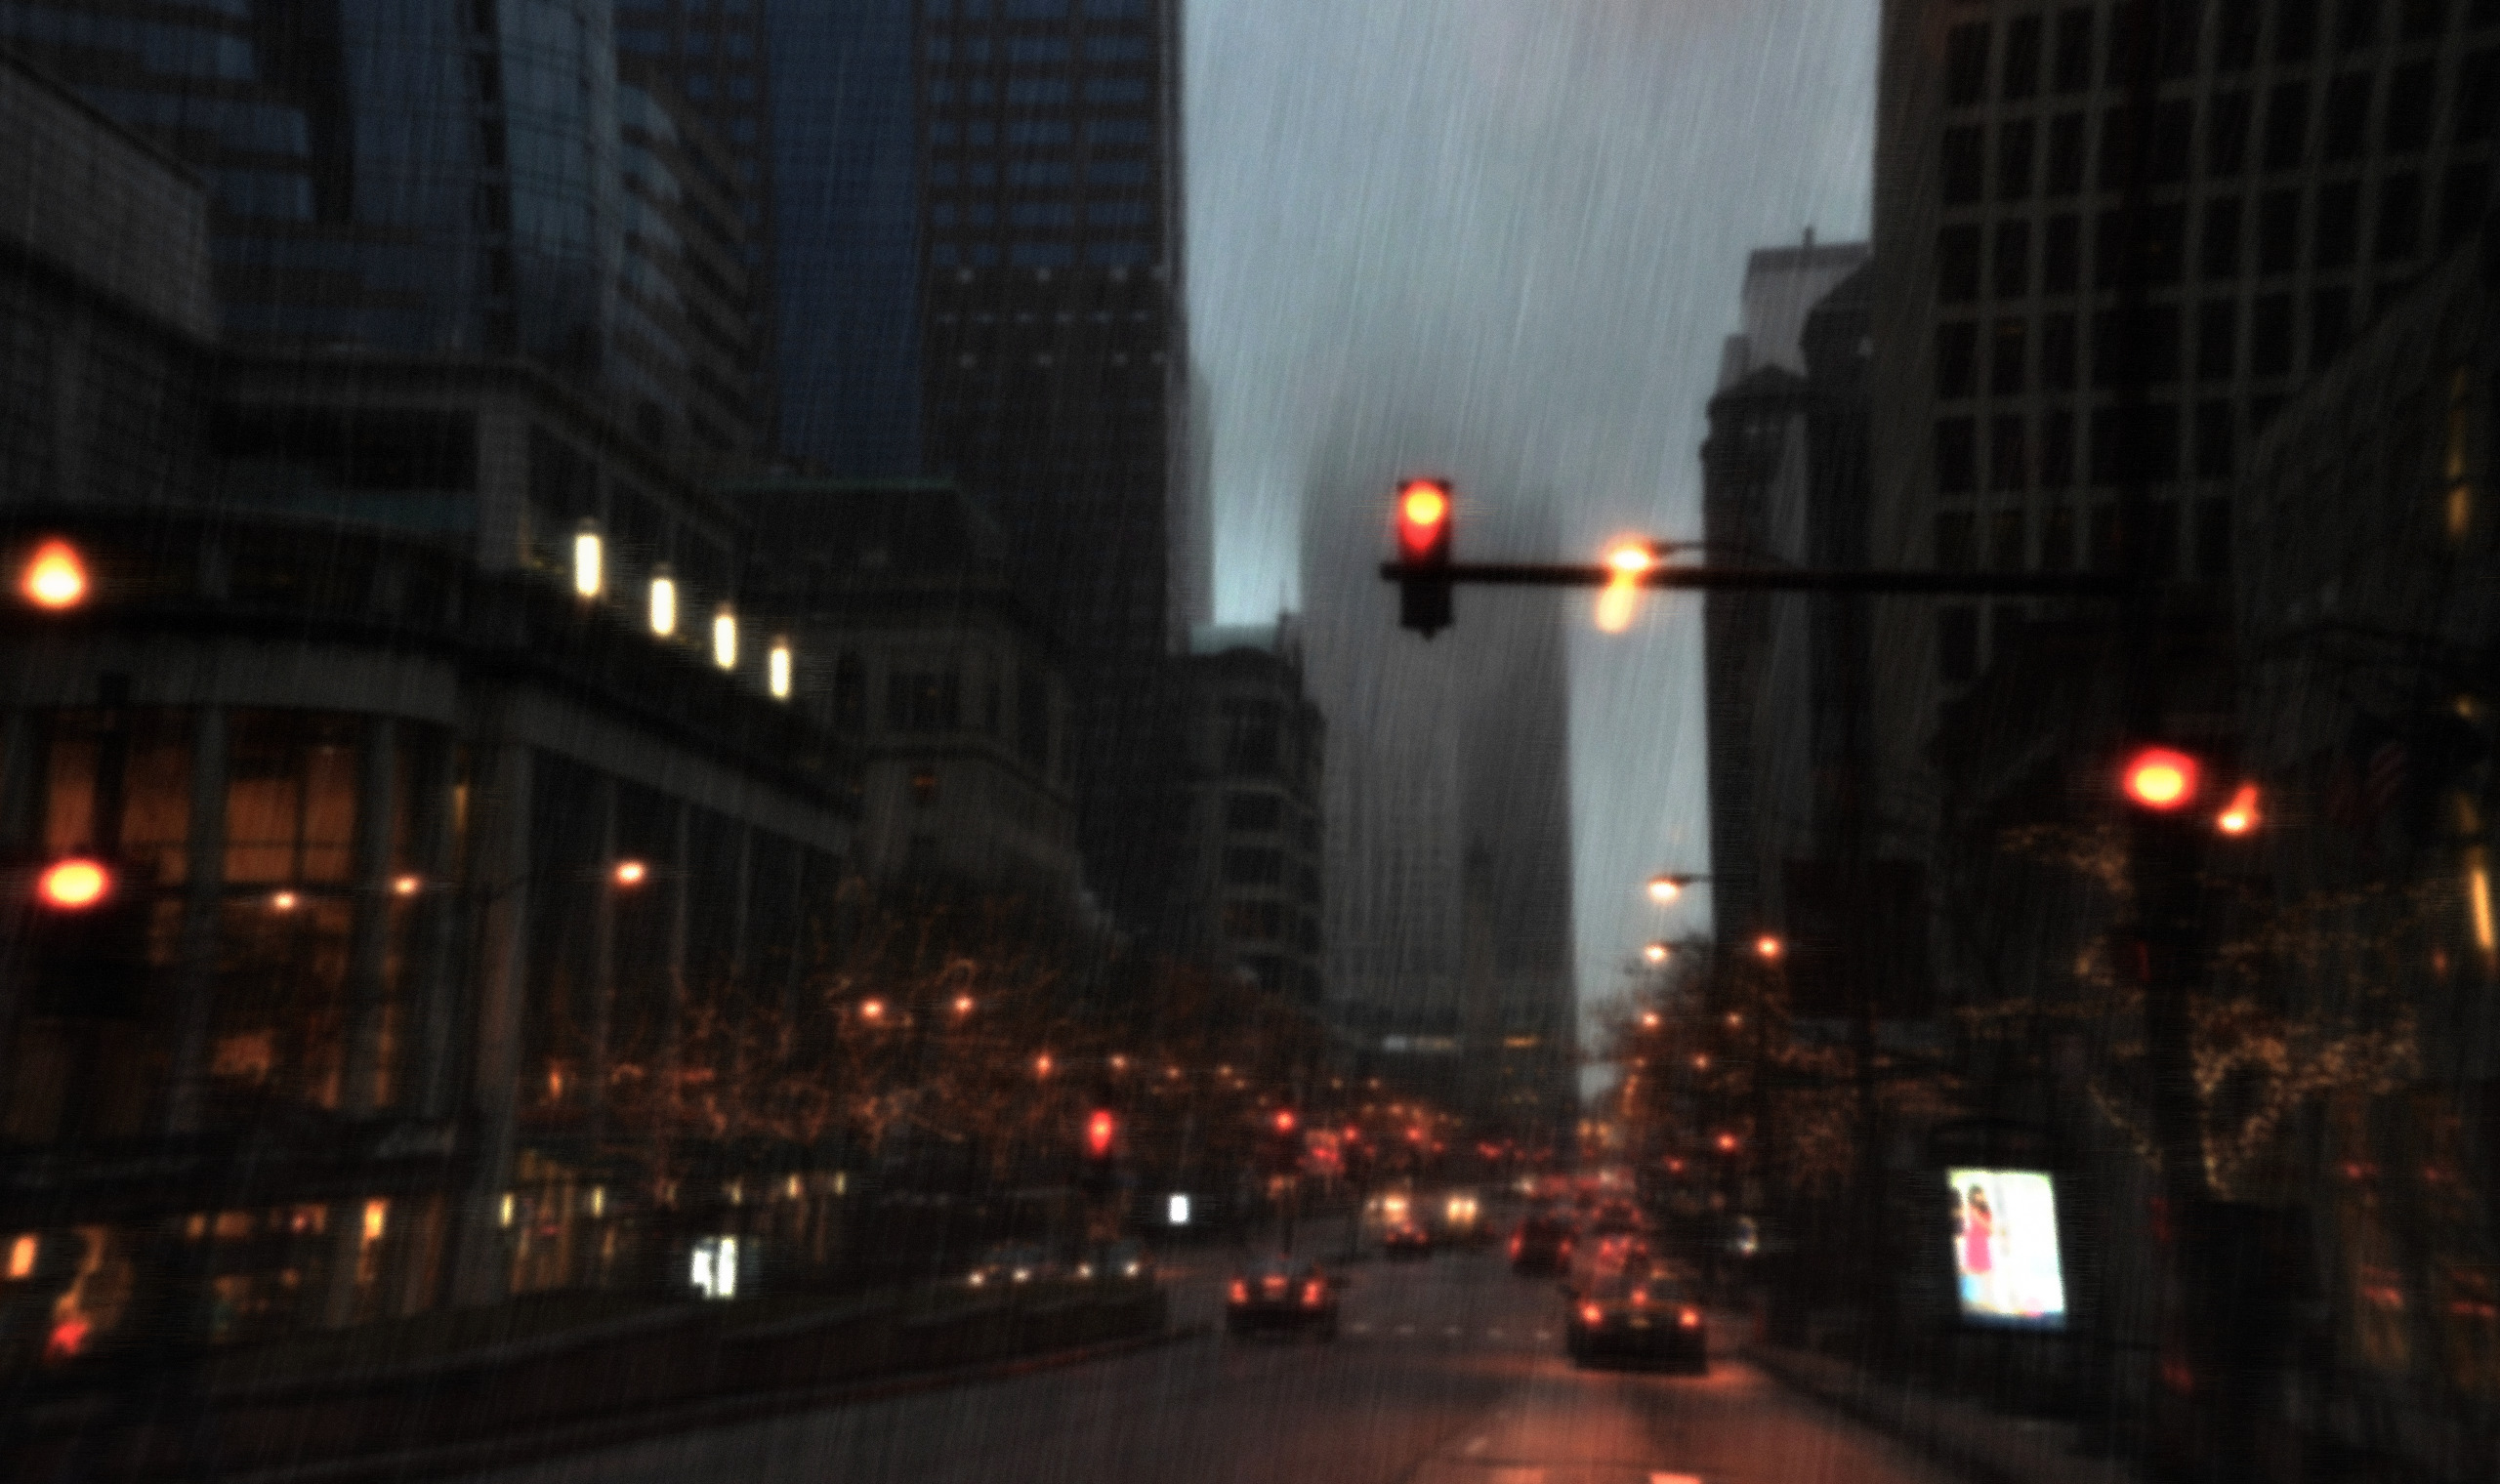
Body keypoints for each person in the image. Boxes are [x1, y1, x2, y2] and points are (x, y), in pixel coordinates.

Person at [1963, 1185, 1996, 1312]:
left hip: (1983, 1243)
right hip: (1971, 1242)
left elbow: (1991, 1230)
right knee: (1971, 1271)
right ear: (1972, 1195)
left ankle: (1988, 1302)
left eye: (1981, 1194)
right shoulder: (1968, 1208)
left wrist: (1977, 1216)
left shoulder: (1986, 1210)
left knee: (1987, 1273)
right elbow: (1965, 1225)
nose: (1980, 1197)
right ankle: (1970, 1304)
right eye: (1978, 1194)